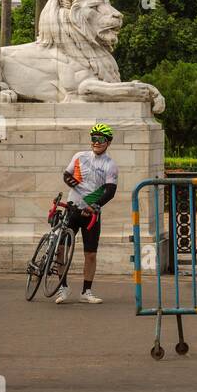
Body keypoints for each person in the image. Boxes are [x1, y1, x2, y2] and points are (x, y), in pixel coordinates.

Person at [55, 122, 119, 305]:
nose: (96, 142)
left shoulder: (110, 165)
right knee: (61, 249)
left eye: (100, 140)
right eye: (94, 139)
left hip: (91, 214)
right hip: (73, 208)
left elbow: (110, 191)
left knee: (90, 254)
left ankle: (86, 291)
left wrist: (95, 205)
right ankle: (63, 286)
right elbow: (66, 176)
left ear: (108, 142)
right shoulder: (80, 156)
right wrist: (76, 186)